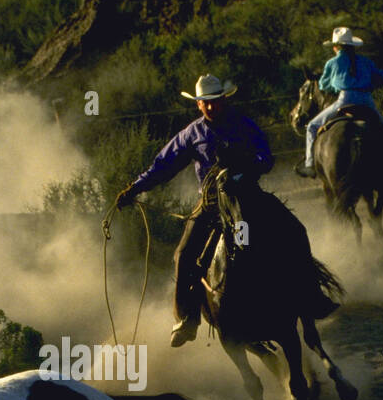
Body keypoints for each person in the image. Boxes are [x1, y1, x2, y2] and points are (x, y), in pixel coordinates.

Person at [115, 74, 273, 347]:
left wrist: (250, 168)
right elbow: (163, 165)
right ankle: (186, 319)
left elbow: (265, 155)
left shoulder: (243, 125)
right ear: (198, 104)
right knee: (184, 255)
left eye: (214, 101)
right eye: (204, 103)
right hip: (211, 205)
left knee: (288, 230)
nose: (210, 107)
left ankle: (304, 290)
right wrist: (135, 188)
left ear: (224, 99)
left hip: (246, 197)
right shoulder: (192, 134)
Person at [298, 27, 383, 178]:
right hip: (366, 100)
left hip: (345, 99)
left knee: (312, 126)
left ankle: (309, 165)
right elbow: (381, 78)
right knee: (382, 128)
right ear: (352, 46)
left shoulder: (332, 63)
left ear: (336, 47)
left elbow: (323, 85)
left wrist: (334, 85)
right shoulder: (366, 62)